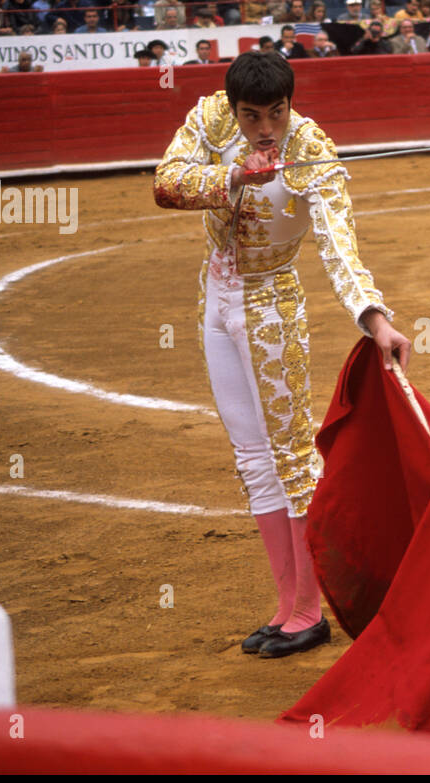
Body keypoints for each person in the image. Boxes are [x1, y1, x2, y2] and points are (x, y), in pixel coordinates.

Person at [153, 52, 407, 658]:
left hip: (270, 305)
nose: (265, 127)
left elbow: (339, 246)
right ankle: (285, 604)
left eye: (277, 112)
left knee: (293, 457)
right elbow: (165, 184)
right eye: (252, 115)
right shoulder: (210, 118)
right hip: (215, 298)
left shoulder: (313, 152)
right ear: (232, 107)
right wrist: (233, 177)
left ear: (291, 104)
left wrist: (374, 319)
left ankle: (311, 611)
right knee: (251, 456)